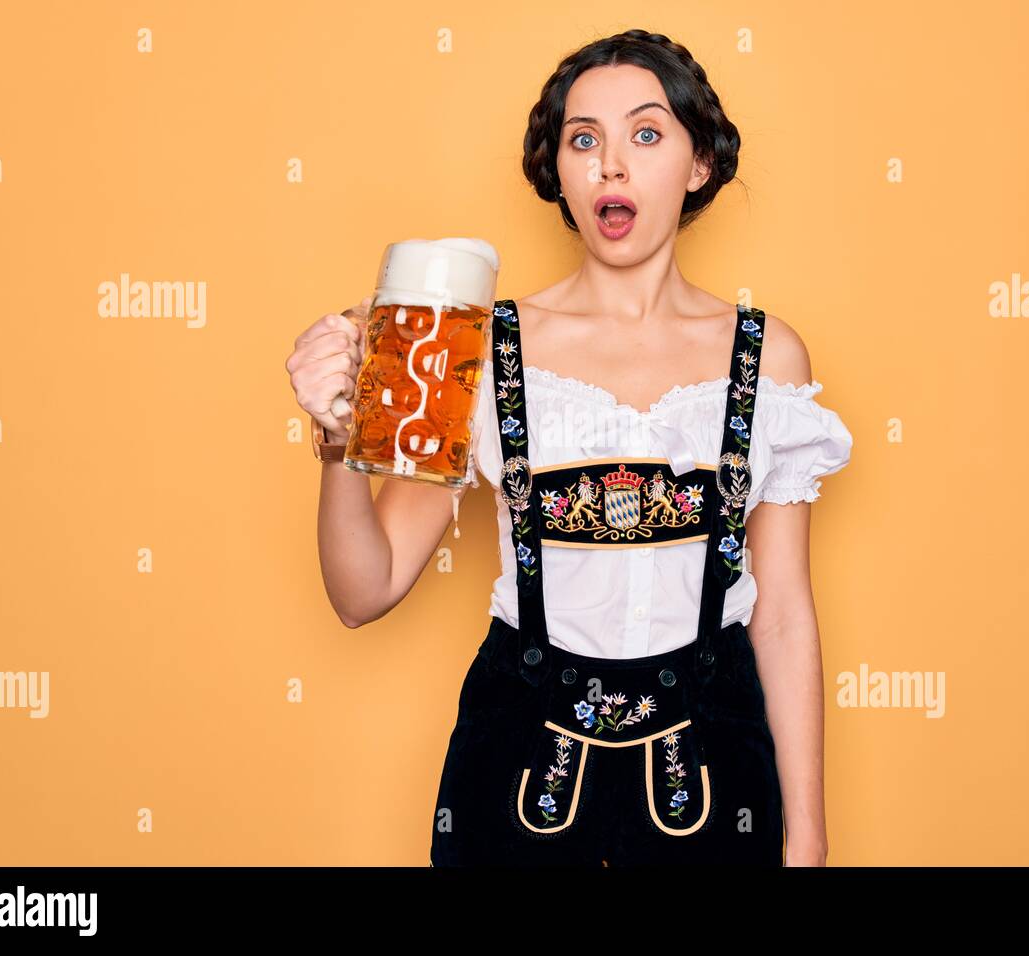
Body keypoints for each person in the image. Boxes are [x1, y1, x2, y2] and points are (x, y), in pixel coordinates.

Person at [284, 29, 851, 866]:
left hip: (716, 775)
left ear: (699, 166)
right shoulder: (475, 344)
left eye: (646, 135)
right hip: (514, 776)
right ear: (560, 171)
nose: (610, 166)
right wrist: (336, 443)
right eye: (584, 140)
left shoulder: (767, 358)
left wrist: (806, 838)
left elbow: (782, 617)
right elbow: (362, 590)